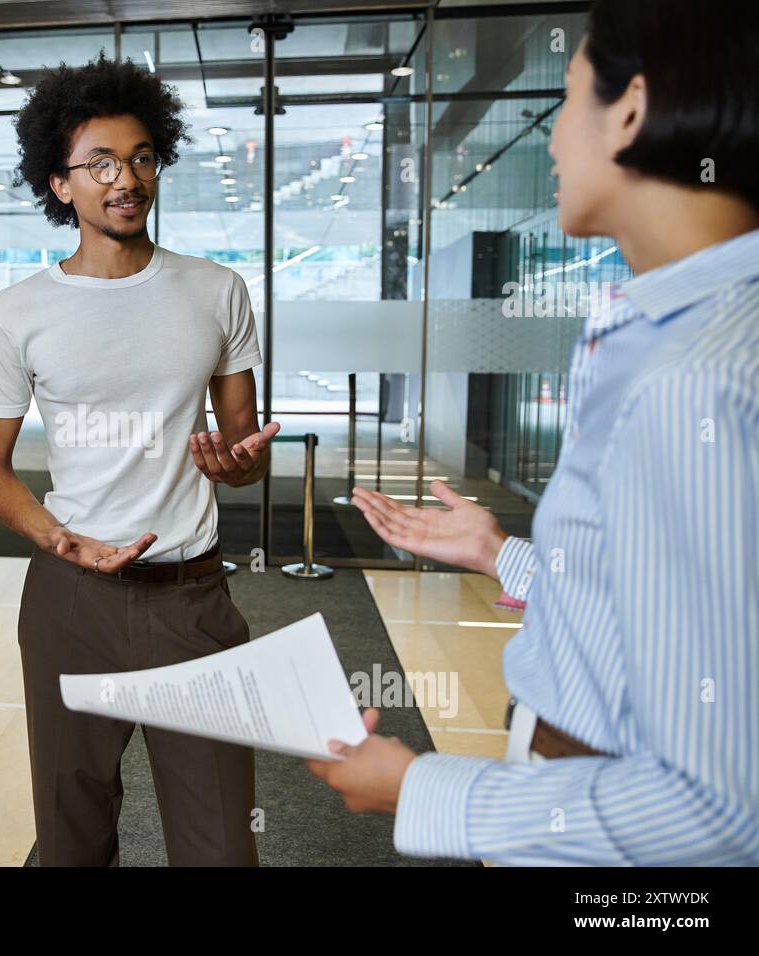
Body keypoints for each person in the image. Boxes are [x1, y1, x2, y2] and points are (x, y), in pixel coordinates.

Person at [309, 0, 759, 865]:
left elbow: (716, 808)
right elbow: (673, 621)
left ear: (629, 110)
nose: (552, 141)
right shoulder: (680, 333)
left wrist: (421, 791)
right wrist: (502, 556)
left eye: (566, 101)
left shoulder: (695, 379)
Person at [0, 51, 279, 866]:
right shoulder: (19, 314)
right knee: (72, 841)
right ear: (58, 183)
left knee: (221, 846)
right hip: (72, 602)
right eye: (100, 162)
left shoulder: (218, 292)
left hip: (192, 596)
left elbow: (243, 445)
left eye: (142, 157)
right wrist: (59, 539)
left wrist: (239, 465)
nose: (127, 177)